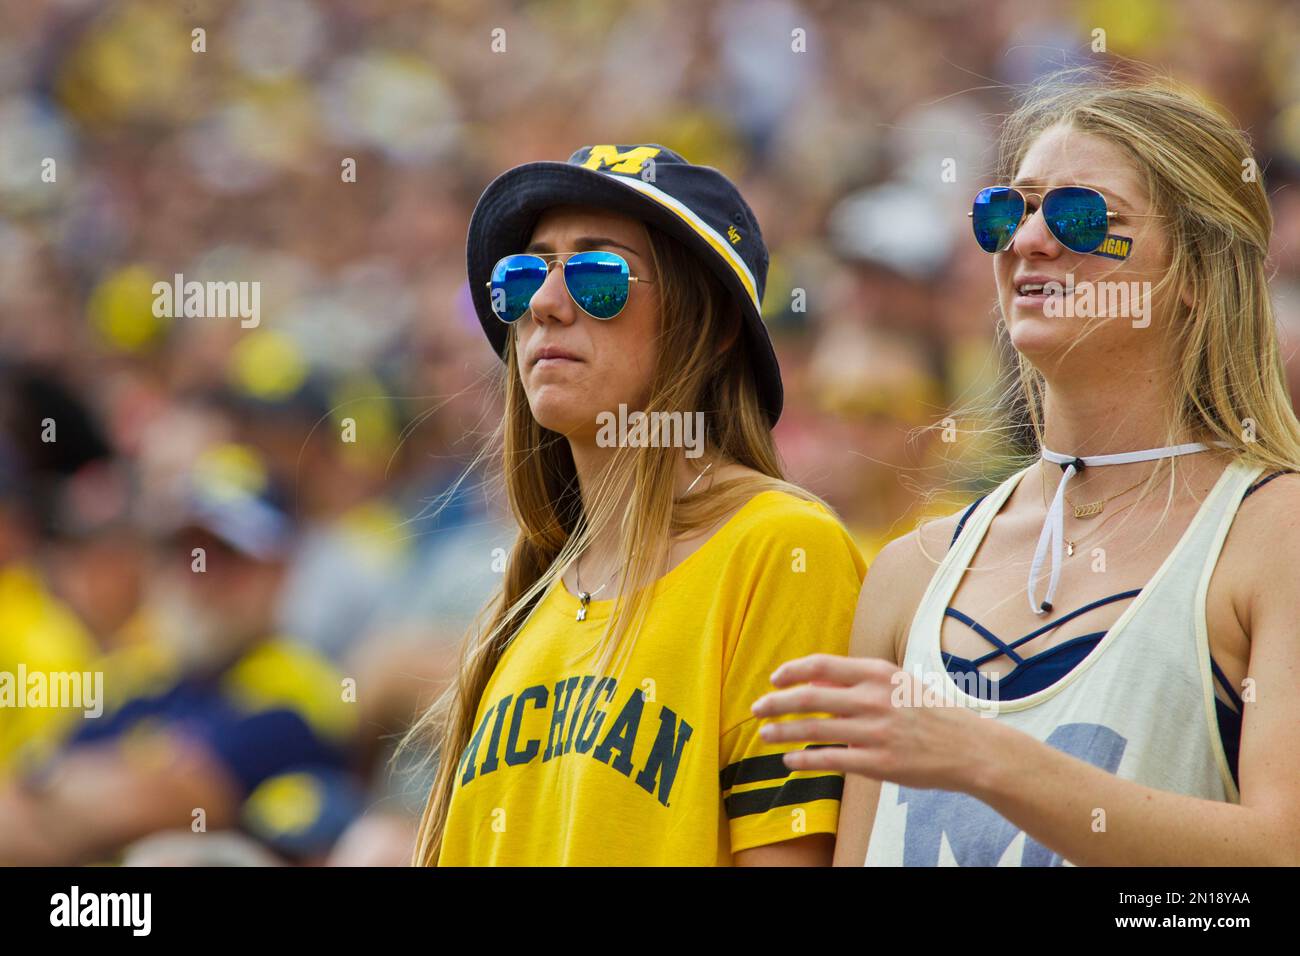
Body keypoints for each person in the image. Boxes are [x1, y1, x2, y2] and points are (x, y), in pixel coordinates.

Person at [753, 71, 1300, 866]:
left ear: (1195, 274)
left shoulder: (1272, 534)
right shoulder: (911, 572)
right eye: (1007, 211)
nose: (1027, 241)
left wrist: (984, 758)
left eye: (1081, 218)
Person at [408, 144, 866, 866]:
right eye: (524, 274)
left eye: (598, 274)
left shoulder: (782, 550)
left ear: (711, 325)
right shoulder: (522, 607)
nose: (546, 304)